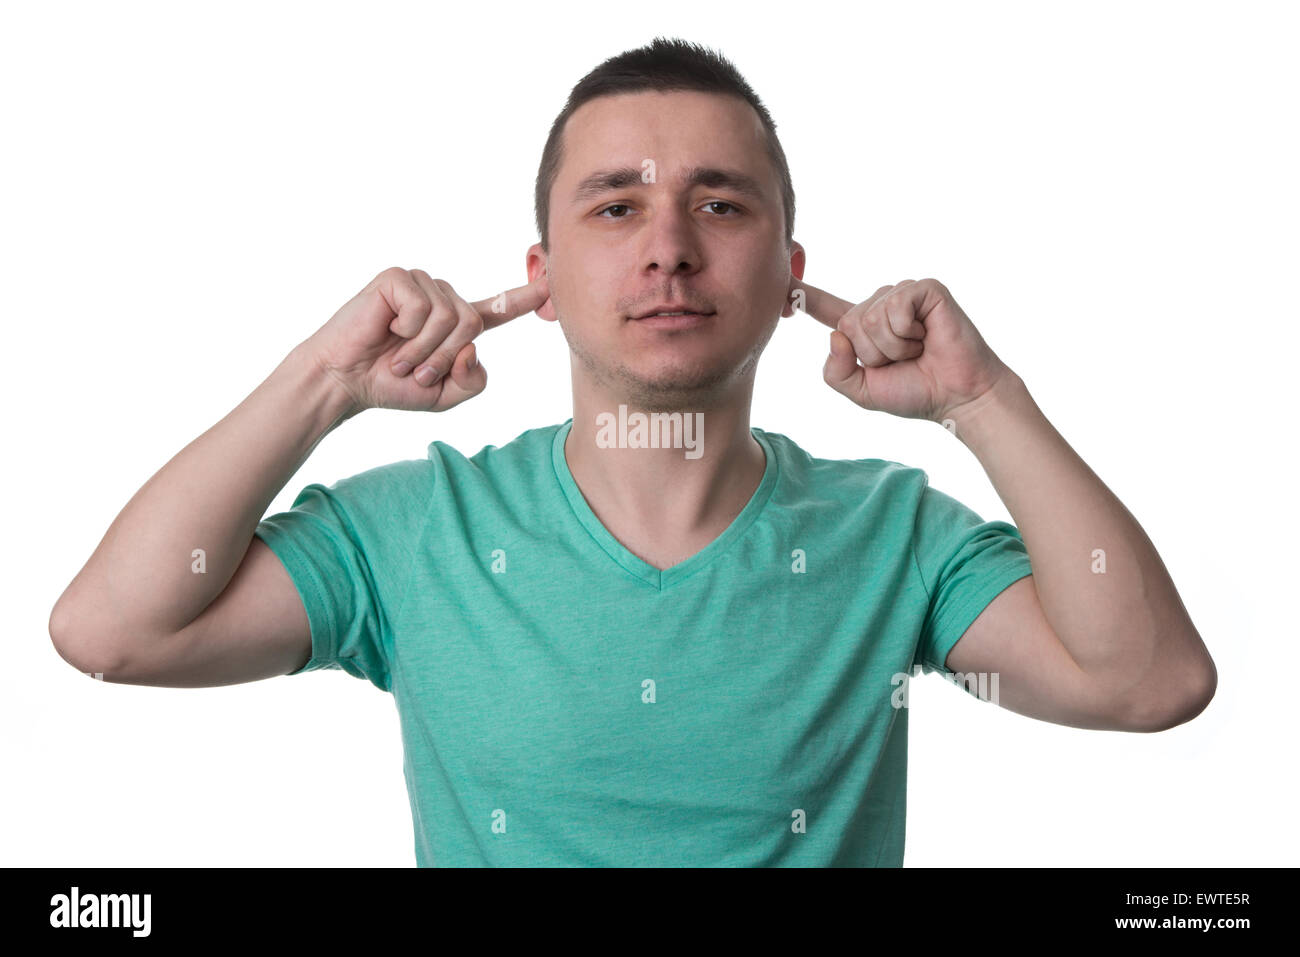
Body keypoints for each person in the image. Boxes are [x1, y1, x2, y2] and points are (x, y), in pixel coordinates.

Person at [49, 37, 1216, 867]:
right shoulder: (415, 531)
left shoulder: (890, 535)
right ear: (540, 278)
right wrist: (322, 382)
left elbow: (1149, 682)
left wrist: (984, 399)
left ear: (788, 272)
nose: (667, 249)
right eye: (615, 207)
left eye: (720, 206)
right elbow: (114, 633)